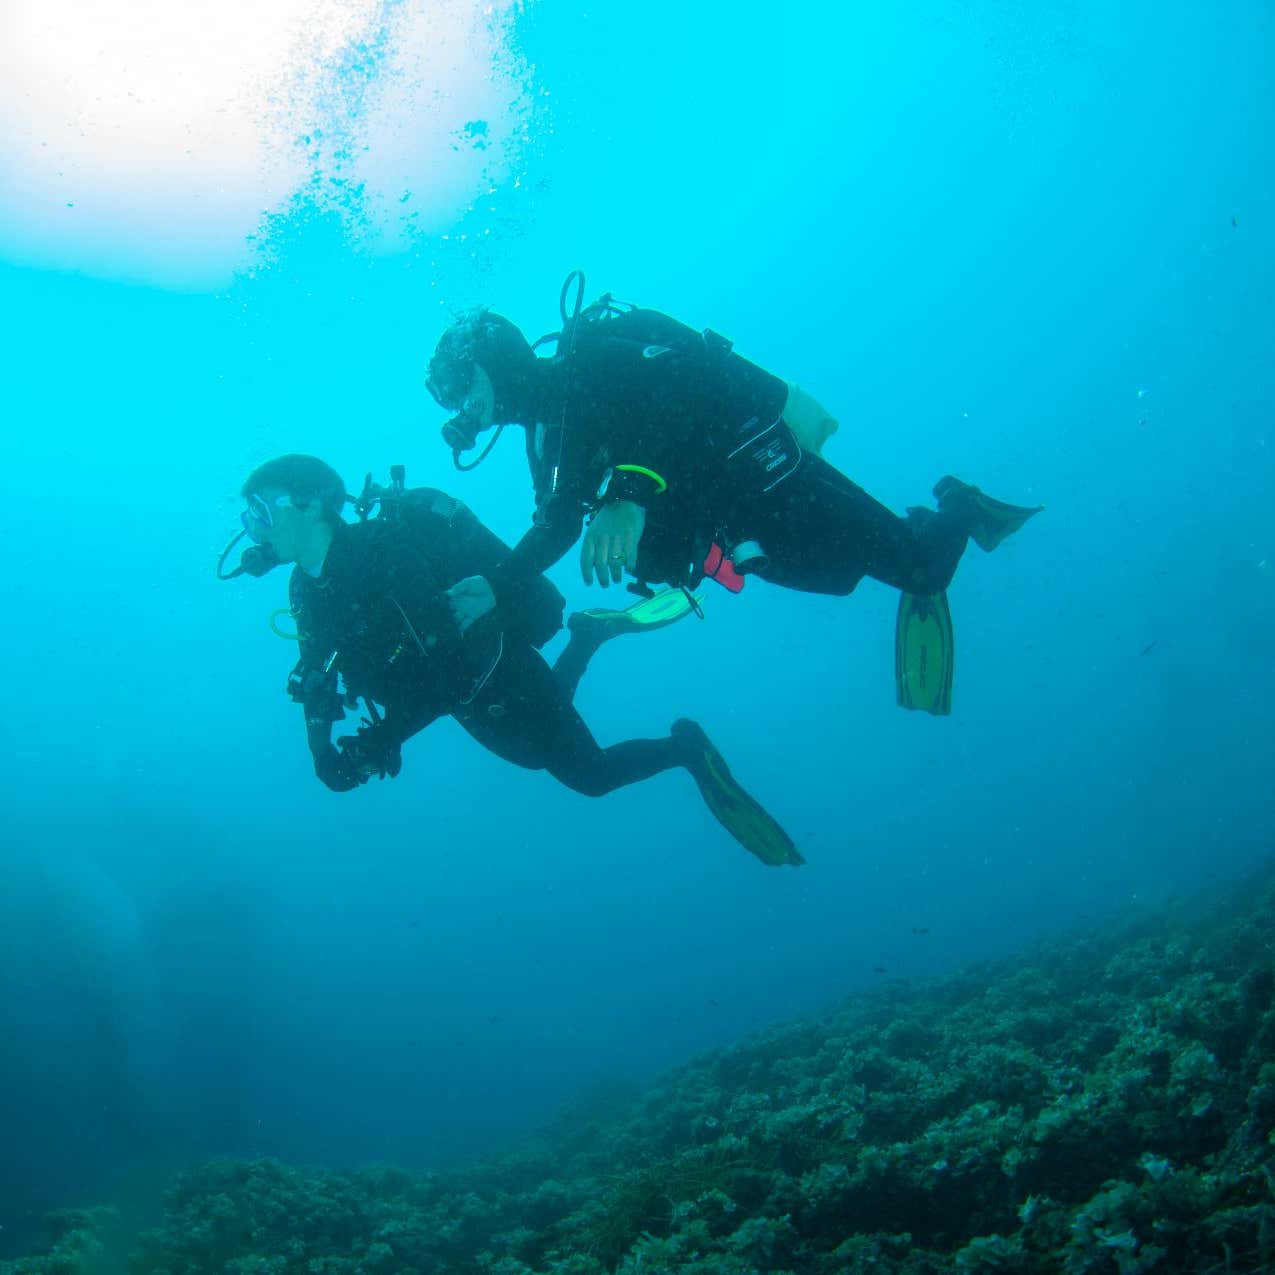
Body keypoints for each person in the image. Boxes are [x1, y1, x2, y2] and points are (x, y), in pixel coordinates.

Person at [424, 277, 1043, 715]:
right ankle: (909, 530)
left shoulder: (590, 358)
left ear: (495, 359)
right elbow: (558, 521)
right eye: (453, 400)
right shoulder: (544, 442)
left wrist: (631, 491)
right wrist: (501, 583)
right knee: (838, 579)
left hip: (767, 475)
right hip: (728, 531)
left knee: (923, 570)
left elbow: (681, 379)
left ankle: (956, 506)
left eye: (463, 386)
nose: (465, 409)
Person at [218, 454, 802, 867]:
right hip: (451, 698)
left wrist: (384, 738)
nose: (252, 528)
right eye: (249, 515)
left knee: (589, 775)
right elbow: (315, 674)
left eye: (261, 511)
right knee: (533, 753)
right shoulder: (303, 587)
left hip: (492, 667)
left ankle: (686, 747)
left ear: (311, 503)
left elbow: (448, 666)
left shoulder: (385, 554)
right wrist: (321, 753)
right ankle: (588, 637)